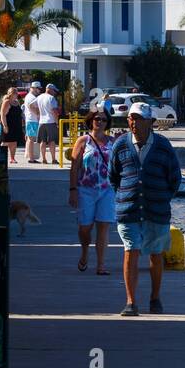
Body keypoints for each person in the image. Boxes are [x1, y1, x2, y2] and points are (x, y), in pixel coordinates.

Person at [107, 101, 181, 316]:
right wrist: (124, 196)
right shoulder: (120, 145)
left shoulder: (163, 146)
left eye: (138, 118)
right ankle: (130, 302)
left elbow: (174, 179)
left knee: (156, 254)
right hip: (128, 209)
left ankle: (155, 298)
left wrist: (162, 197)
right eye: (131, 118)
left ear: (150, 122)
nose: (133, 122)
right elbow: (113, 177)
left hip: (156, 210)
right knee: (131, 250)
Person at [69, 106, 116, 275]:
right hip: (85, 190)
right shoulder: (83, 141)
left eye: (104, 120)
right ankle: (84, 252)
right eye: (97, 119)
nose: (100, 122)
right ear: (91, 120)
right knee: (85, 228)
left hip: (107, 190)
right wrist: (73, 189)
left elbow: (118, 167)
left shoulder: (112, 142)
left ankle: (101, 265)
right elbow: (74, 167)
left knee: (103, 227)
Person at [35, 82, 60, 165]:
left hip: (41, 122)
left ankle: (44, 159)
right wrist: (57, 122)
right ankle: (53, 159)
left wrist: (38, 115)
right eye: (54, 90)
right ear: (50, 89)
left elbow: (33, 106)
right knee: (52, 141)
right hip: (51, 121)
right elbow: (54, 111)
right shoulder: (51, 98)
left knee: (43, 141)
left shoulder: (39, 97)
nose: (54, 92)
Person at [0, 88, 22, 163]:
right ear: (10, 94)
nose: (16, 94)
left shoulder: (17, 102)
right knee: (5, 142)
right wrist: (5, 126)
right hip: (8, 124)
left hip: (16, 125)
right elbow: (2, 115)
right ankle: (0, 157)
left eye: (16, 93)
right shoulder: (6, 102)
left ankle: (12, 158)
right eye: (15, 93)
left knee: (14, 142)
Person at [23, 80, 43, 163]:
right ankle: (31, 158)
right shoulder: (31, 97)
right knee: (31, 139)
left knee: (29, 139)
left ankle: (29, 156)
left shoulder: (30, 96)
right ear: (33, 88)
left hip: (31, 120)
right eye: (38, 88)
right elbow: (31, 106)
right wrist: (38, 114)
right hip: (32, 120)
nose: (39, 90)